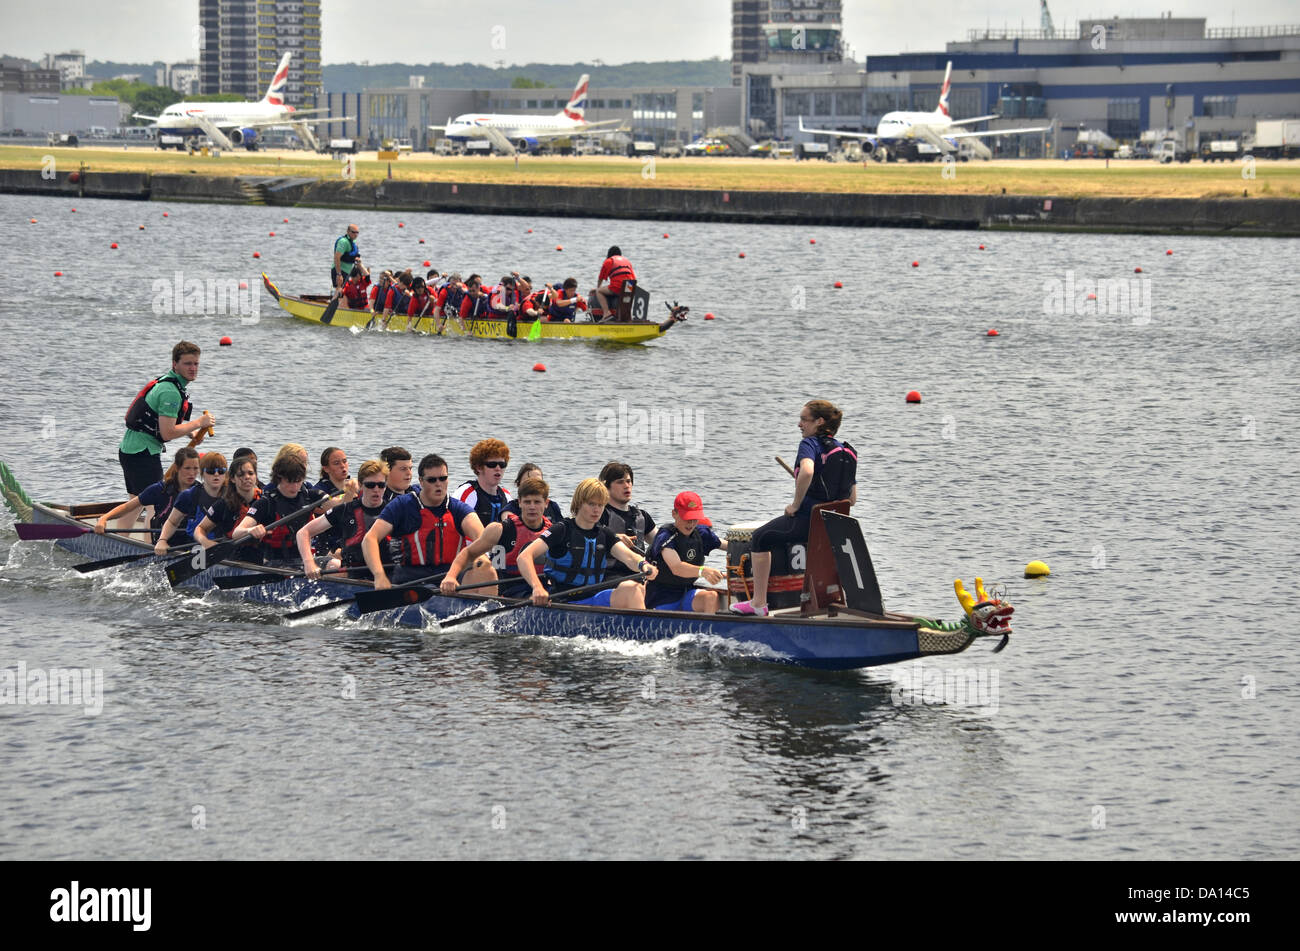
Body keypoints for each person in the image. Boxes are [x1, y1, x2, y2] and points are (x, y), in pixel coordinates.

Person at [730, 399, 858, 616]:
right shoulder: (847, 452)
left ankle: (758, 603)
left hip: (808, 521)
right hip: (834, 527)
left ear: (819, 422)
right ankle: (833, 599)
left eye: (803, 419)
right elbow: (851, 499)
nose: (799, 424)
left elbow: (807, 472)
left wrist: (795, 505)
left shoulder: (810, 444)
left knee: (761, 538)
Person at [516, 477, 656, 609]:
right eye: (591, 504)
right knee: (632, 589)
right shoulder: (562, 530)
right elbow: (524, 557)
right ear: (579, 503)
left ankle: (642, 630)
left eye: (600, 505)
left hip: (593, 598)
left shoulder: (605, 534)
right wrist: (537, 587)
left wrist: (643, 565)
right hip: (564, 601)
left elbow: (630, 557)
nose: (596, 510)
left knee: (633, 588)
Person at [362, 453, 494, 589]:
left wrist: (481, 558)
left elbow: (482, 539)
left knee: (485, 567)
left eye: (443, 479)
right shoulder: (401, 506)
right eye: (432, 480)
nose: (439, 484)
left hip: (450, 575)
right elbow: (370, 539)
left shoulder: (458, 509)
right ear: (421, 481)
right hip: (411, 577)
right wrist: (379, 575)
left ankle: (487, 607)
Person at [118, 341, 216, 497]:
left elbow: (163, 423)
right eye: (187, 364)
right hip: (142, 453)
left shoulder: (170, 383)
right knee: (155, 503)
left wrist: (189, 432)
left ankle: (121, 522)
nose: (193, 368)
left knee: (134, 505)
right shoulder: (170, 392)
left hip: (130, 450)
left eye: (196, 363)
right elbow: (167, 433)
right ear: (175, 364)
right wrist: (199, 422)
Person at [440, 476, 553, 599]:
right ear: (519, 502)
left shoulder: (554, 531)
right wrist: (451, 576)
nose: (532, 507)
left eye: (537, 502)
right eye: (527, 502)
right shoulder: (500, 529)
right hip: (509, 590)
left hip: (542, 589)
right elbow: (468, 553)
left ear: (546, 503)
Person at [235, 455, 343, 565]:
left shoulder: (311, 495)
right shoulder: (265, 503)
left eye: (298, 481)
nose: (295, 486)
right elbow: (237, 533)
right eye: (290, 481)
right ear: (279, 478)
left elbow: (337, 504)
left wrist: (348, 493)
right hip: (274, 564)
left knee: (336, 565)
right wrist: (250, 530)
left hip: (305, 560)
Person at [296, 459, 389, 580]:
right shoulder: (345, 510)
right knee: (334, 567)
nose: (376, 490)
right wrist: (309, 563)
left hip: (386, 573)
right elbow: (303, 533)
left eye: (381, 485)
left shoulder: (394, 511)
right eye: (370, 485)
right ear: (360, 485)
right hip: (352, 573)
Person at [94, 447, 201, 542]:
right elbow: (128, 507)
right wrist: (104, 518)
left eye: (196, 468)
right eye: (187, 468)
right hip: (165, 544)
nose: (192, 473)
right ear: (177, 468)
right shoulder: (160, 489)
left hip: (191, 542)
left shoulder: (201, 491)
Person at [644, 491, 727, 613]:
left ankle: (707, 631)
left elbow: (730, 546)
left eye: (694, 518)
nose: (691, 523)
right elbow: (676, 567)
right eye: (687, 518)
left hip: (686, 592)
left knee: (711, 597)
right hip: (660, 598)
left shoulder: (701, 533)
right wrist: (702, 571)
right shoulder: (666, 535)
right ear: (674, 514)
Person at [154, 451, 227, 554]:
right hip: (193, 548)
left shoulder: (232, 497)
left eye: (221, 471)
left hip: (223, 547)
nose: (216, 474)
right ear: (202, 473)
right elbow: (172, 522)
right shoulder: (189, 495)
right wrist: (162, 540)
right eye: (210, 471)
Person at [193, 455, 262, 553]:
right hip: (234, 553)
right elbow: (200, 529)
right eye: (241, 475)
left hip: (263, 553)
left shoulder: (265, 501)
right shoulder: (224, 504)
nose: (247, 477)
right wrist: (206, 542)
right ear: (233, 479)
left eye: (251, 473)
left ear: (255, 477)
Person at [598, 461, 655, 577]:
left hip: (638, 574)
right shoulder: (599, 513)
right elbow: (587, 535)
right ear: (606, 487)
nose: (626, 485)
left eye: (628, 481)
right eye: (620, 482)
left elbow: (661, 542)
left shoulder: (642, 516)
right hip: (607, 576)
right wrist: (614, 538)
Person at [453, 438, 512, 529]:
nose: (498, 468)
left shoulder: (507, 496)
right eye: (492, 464)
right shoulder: (466, 493)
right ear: (479, 467)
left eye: (502, 464)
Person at [594, 245, 636, 319]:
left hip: (618, 287)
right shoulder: (627, 261)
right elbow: (634, 278)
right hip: (630, 287)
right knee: (625, 295)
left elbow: (600, 278)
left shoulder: (609, 261)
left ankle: (606, 313)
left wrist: (598, 288)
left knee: (599, 291)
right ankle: (628, 316)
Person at [331, 223, 361, 292]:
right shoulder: (343, 242)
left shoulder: (353, 242)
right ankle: (334, 302)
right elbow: (336, 257)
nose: (355, 234)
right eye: (353, 232)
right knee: (339, 292)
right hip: (340, 271)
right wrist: (339, 274)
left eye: (357, 233)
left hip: (347, 271)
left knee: (344, 292)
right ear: (348, 231)